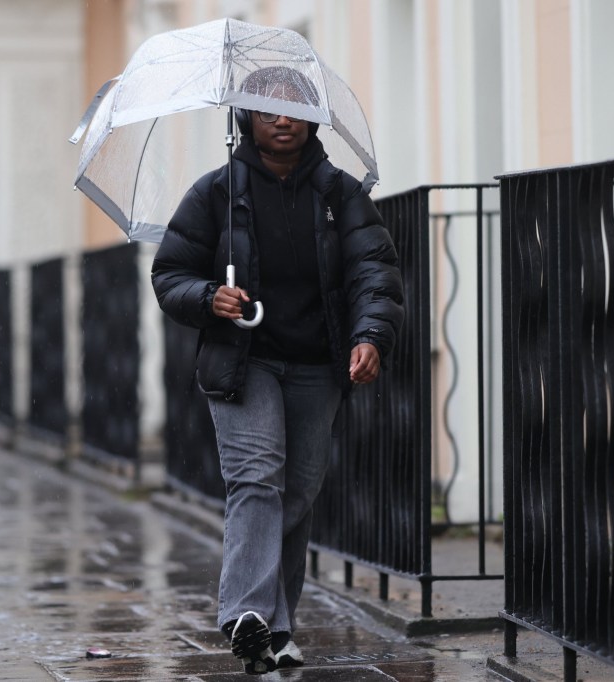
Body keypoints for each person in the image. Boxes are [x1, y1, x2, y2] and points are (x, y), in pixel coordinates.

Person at [150, 66, 404, 675]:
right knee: (258, 480)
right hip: (244, 362)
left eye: (293, 108)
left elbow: (376, 272)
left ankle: (276, 627)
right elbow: (169, 274)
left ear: (313, 119)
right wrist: (210, 296)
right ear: (248, 118)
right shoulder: (215, 192)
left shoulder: (341, 195)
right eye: (268, 109)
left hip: (318, 363)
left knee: (297, 493)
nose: (282, 118)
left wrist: (370, 336)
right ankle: (244, 613)